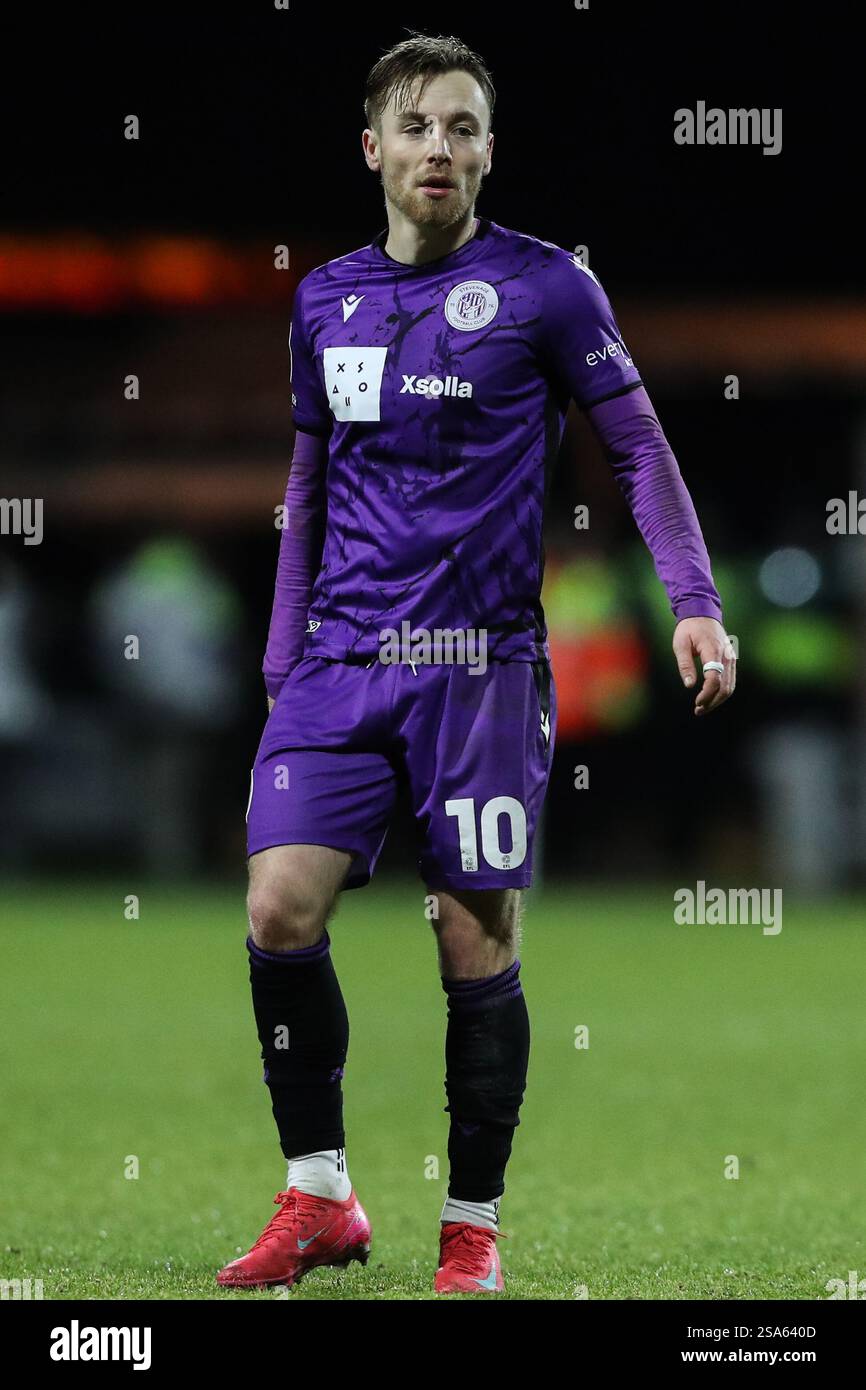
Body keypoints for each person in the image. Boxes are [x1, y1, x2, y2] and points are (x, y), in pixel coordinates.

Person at [217, 30, 736, 1296]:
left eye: (459, 127)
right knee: (279, 904)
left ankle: (470, 1228)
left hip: (483, 669)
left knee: (473, 935)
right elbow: (308, 482)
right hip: (340, 658)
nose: (436, 148)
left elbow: (641, 451)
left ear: (487, 150)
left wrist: (692, 598)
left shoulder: (549, 289)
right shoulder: (324, 297)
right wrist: (284, 662)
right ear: (374, 149)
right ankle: (319, 1196)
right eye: (415, 126)